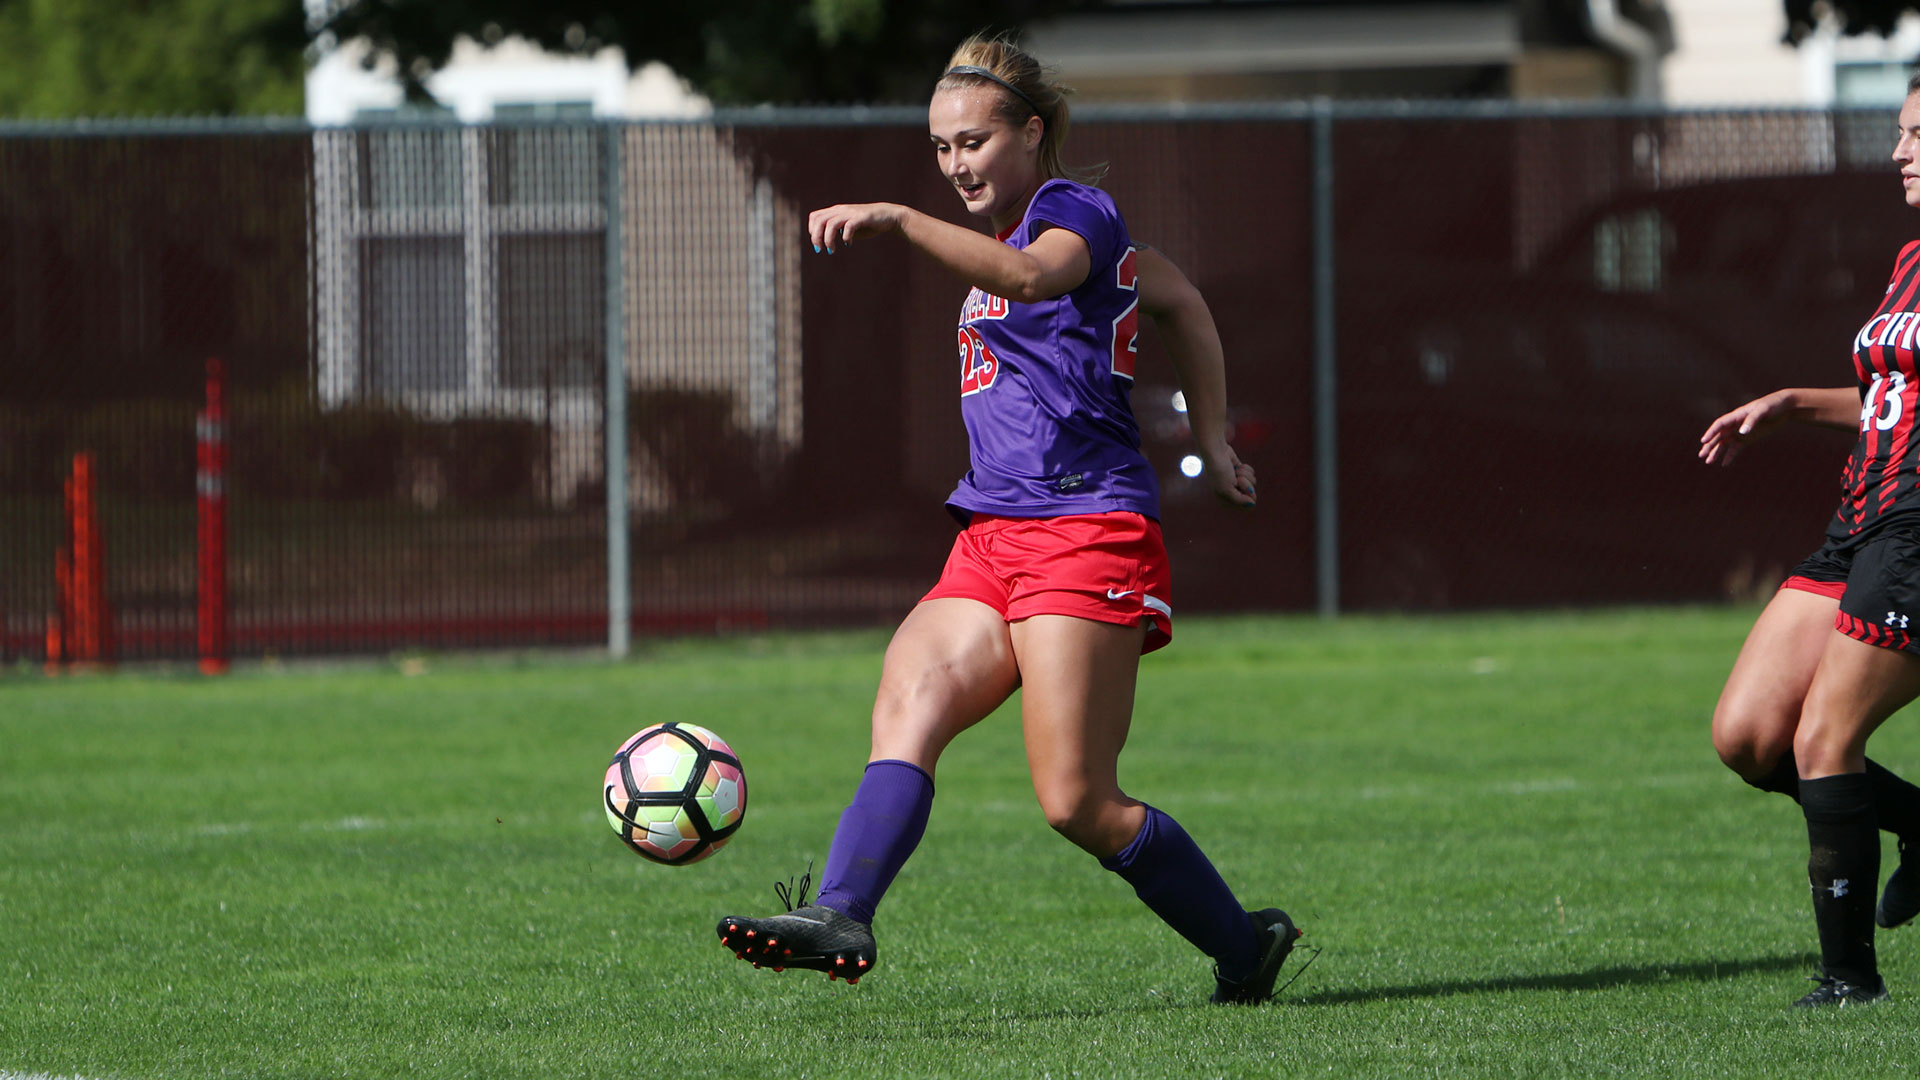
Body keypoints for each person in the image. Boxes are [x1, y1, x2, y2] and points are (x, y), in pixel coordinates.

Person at [716, 33, 1302, 1004]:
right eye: (942, 148)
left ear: (1031, 133)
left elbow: (1043, 281)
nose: (957, 164)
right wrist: (1216, 432)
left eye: (975, 142)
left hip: (1086, 529)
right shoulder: (1008, 241)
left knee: (1076, 801)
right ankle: (840, 911)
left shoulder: (1074, 211)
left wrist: (899, 221)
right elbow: (1181, 301)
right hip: (991, 536)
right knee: (907, 709)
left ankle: (1245, 947)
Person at [1697, 76, 1920, 1009]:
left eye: (1917, 134)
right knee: (1749, 736)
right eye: (1902, 132)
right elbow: (1890, 393)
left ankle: (1848, 982)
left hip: (1917, 530)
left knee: (1827, 737)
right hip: (1858, 517)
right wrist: (1792, 404)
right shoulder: (1912, 259)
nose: (1900, 152)